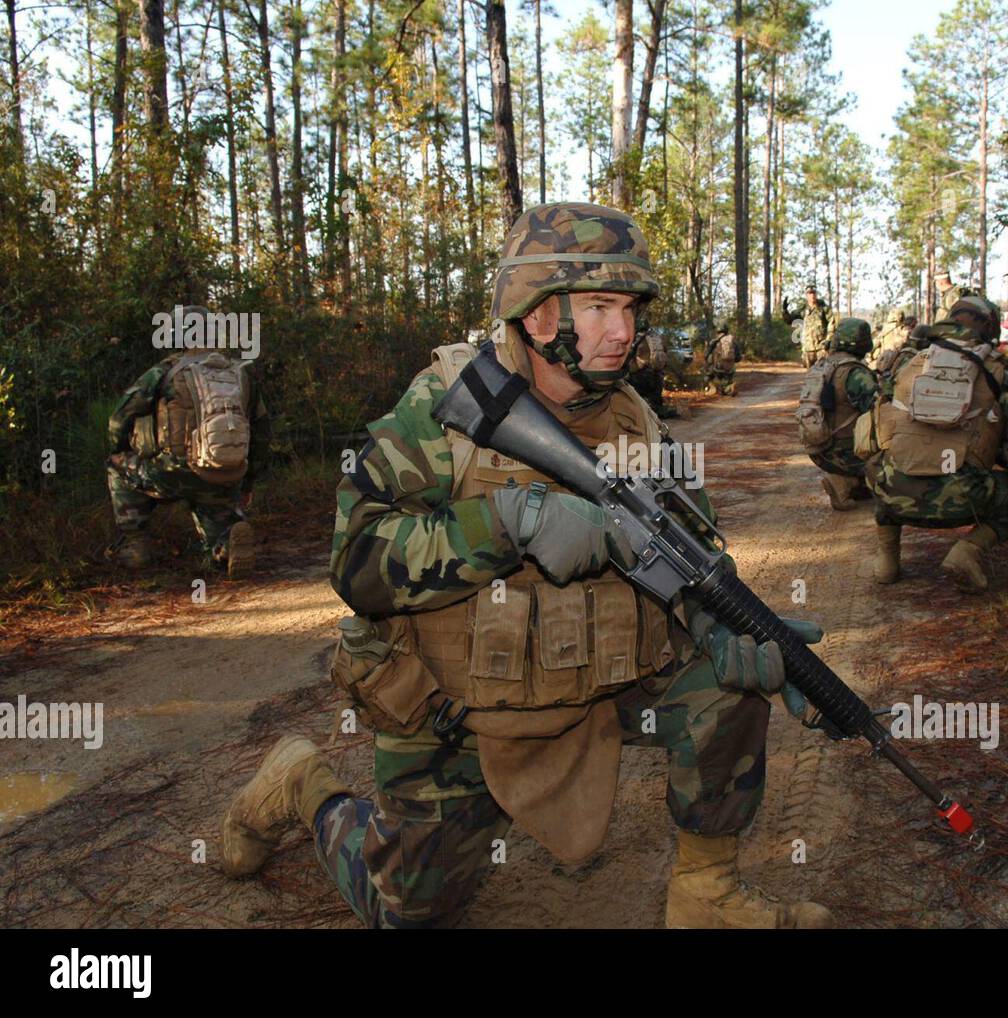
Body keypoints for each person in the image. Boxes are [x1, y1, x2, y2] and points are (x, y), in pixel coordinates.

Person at [219, 202, 832, 929]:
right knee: (407, 913)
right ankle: (302, 785)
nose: (625, 331)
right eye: (600, 306)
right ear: (536, 314)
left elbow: (693, 557)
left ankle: (706, 894)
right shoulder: (445, 405)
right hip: (452, 710)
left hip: (593, 686)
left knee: (727, 681)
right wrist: (505, 523)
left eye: (632, 308)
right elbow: (356, 564)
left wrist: (724, 629)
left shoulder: (638, 423)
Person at [857, 292, 1008, 592]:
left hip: (895, 495)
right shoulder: (997, 373)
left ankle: (887, 561)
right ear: (988, 327)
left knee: (882, 467)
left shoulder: (909, 363)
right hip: (961, 499)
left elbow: (877, 431)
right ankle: (968, 551)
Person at [105, 307, 269, 577]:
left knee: (116, 467)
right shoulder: (240, 373)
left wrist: (119, 448)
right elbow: (262, 432)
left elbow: (120, 416)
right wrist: (247, 480)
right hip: (223, 473)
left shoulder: (166, 370)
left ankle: (135, 543)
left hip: (171, 471)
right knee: (218, 514)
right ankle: (225, 545)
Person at [795, 318, 877, 511]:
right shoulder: (855, 372)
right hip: (843, 452)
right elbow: (878, 409)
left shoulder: (823, 365)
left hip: (819, 448)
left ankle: (854, 483)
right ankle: (844, 483)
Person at [627, 324, 673, 416]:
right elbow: (666, 356)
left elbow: (629, 357)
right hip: (657, 376)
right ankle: (657, 409)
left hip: (641, 377)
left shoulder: (636, 339)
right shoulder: (657, 337)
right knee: (655, 397)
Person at [783, 285, 834, 368]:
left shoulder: (823, 308)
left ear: (816, 294)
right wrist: (785, 311)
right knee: (810, 376)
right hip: (807, 349)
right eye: (810, 293)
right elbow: (790, 321)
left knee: (823, 375)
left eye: (813, 293)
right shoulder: (803, 309)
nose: (812, 295)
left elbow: (832, 323)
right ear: (807, 295)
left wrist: (828, 340)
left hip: (821, 348)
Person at [704, 321, 739, 396]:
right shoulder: (732, 340)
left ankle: (711, 387)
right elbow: (738, 357)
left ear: (718, 330)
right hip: (730, 368)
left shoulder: (714, 341)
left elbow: (706, 355)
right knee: (726, 381)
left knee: (708, 376)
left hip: (717, 367)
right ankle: (729, 386)